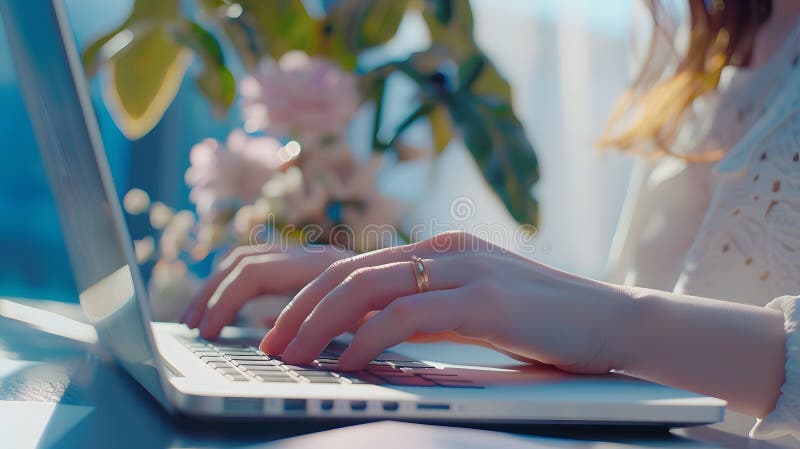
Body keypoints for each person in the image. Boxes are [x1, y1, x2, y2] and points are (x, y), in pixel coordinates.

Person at [181, 0, 800, 439]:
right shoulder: (719, 39)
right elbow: (650, 341)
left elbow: (629, 323)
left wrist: (619, 320)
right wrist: (440, 302)